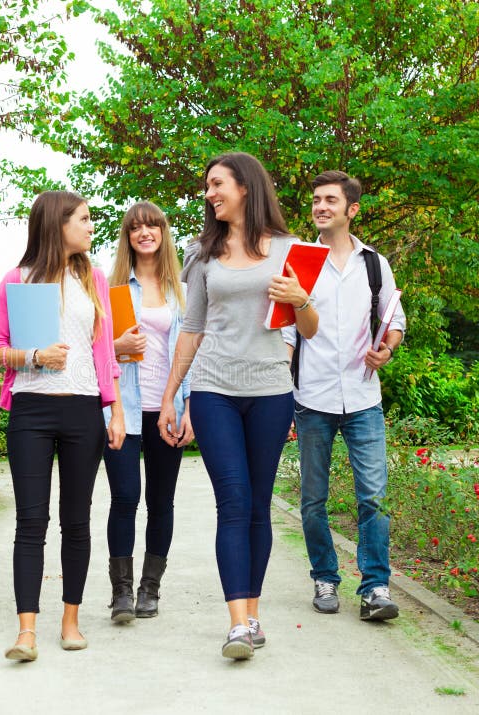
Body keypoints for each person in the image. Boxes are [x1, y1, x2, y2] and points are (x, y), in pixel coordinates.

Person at [158, 152, 318, 660]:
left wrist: (300, 298)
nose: (209, 194)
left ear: (246, 187)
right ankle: (236, 623)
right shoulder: (201, 253)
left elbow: (309, 330)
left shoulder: (291, 251)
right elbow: (192, 327)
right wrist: (172, 395)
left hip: (271, 389)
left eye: (217, 184)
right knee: (232, 499)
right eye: (207, 186)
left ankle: (253, 614)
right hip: (214, 389)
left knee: (257, 504)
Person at [0, 190, 125, 662]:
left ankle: (71, 621)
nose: (90, 228)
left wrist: (116, 409)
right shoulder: (16, 280)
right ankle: (26, 632)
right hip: (31, 410)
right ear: (57, 224)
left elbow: (105, 354)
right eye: (83, 220)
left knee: (77, 520)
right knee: (31, 520)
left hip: (84, 409)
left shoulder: (95, 279)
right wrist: (33, 357)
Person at [280, 170, 406, 621]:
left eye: (330, 200)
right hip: (311, 397)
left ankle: (375, 588)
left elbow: (394, 317)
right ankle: (325, 577)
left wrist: (386, 349)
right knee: (313, 498)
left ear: (352, 209)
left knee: (373, 496)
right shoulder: (298, 262)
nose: (321, 207)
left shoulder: (375, 263)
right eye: (316, 200)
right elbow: (286, 330)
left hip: (363, 396)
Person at [103, 201, 192, 623]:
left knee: (161, 500)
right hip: (123, 407)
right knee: (124, 496)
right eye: (136, 227)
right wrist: (117, 348)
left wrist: (187, 404)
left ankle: (149, 589)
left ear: (162, 232)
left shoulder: (183, 289)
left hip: (167, 406)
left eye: (152, 225)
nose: (144, 233)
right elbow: (93, 347)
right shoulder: (111, 285)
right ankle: (120, 592)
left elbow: (192, 350)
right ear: (128, 236)